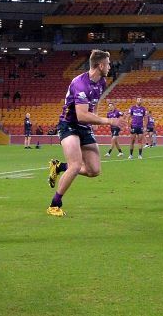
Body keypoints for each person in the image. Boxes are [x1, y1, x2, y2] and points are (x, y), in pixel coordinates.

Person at [45, 49, 116, 217]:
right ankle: (54, 204)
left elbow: (95, 103)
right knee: (76, 165)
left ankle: (60, 167)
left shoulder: (101, 82)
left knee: (94, 170)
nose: (110, 66)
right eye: (108, 63)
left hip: (83, 127)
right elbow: (82, 115)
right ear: (100, 65)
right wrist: (108, 121)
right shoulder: (80, 83)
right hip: (68, 125)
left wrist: (96, 118)